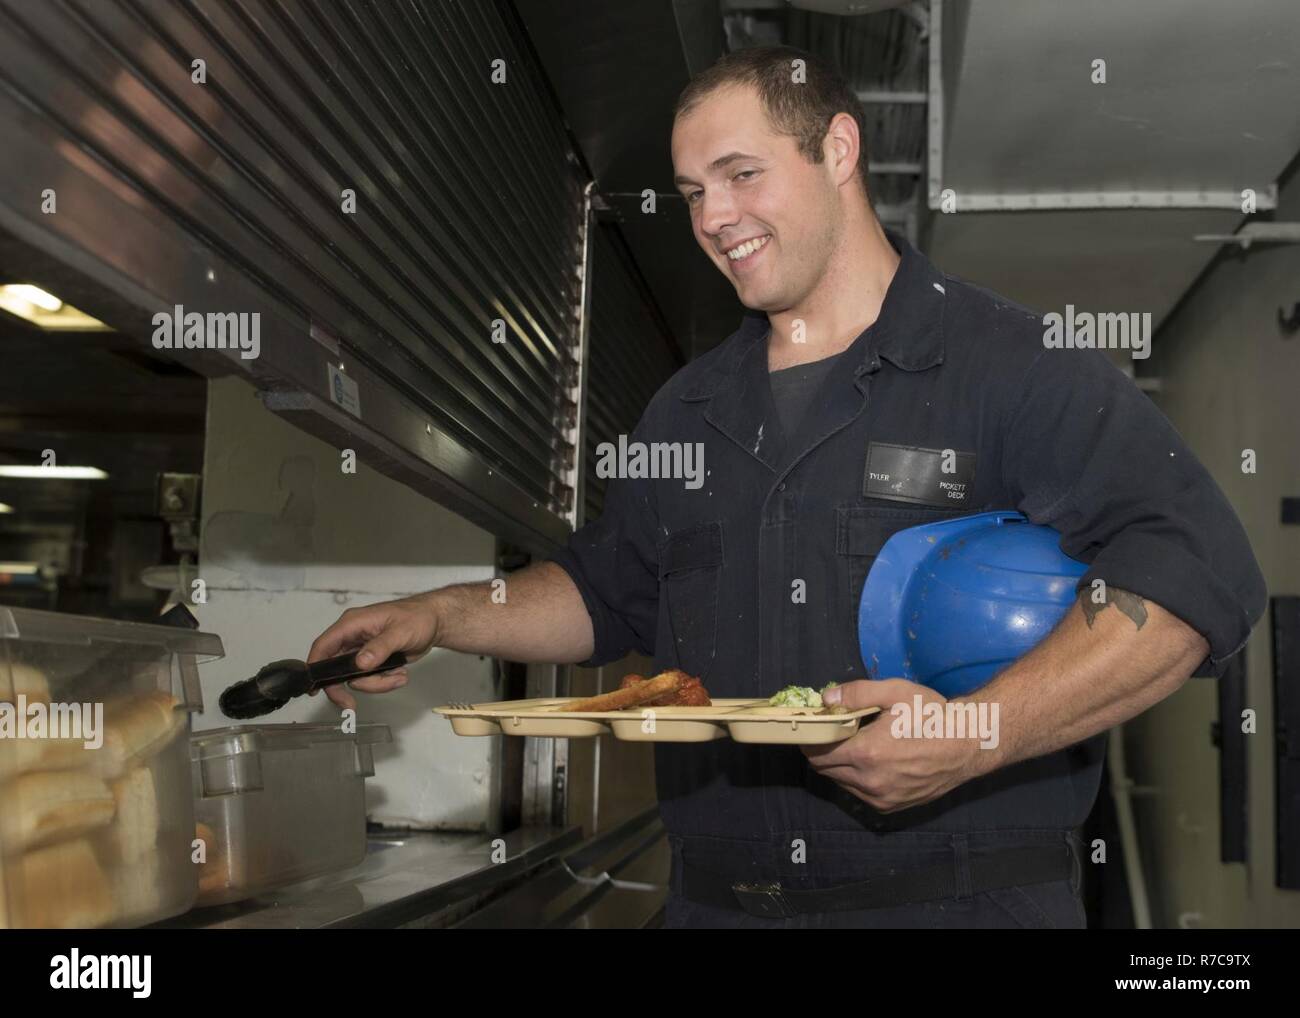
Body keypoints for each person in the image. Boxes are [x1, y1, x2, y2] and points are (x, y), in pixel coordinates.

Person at [307, 46, 1266, 928]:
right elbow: (607, 591)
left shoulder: (1012, 366)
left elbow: (1194, 572)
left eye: (740, 174)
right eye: (691, 193)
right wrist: (437, 615)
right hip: (714, 908)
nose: (713, 217)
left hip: (957, 908)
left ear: (838, 150)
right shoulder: (688, 409)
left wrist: (980, 734)